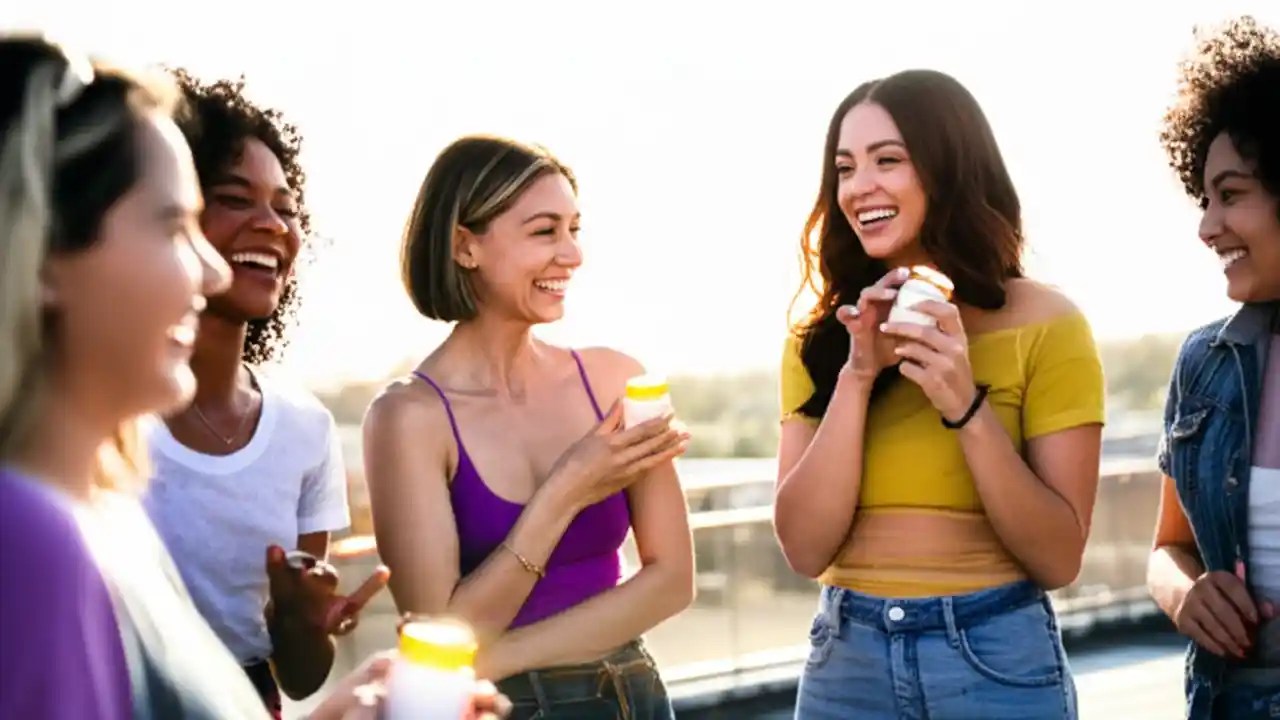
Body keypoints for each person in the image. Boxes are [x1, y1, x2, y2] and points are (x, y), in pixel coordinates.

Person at [0, 34, 507, 720]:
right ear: (44, 249)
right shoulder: (29, 536)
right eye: (175, 225)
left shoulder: (102, 516)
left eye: (286, 209)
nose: (210, 269)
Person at [773, 69, 1105, 719]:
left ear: (948, 166)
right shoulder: (822, 340)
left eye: (887, 160)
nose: (858, 186)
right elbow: (805, 550)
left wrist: (964, 404)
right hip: (848, 665)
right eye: (845, 167)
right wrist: (859, 376)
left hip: (994, 658)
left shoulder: (1048, 324)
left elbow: (1059, 555)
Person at [362, 134, 694, 719]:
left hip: (633, 696)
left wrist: (499, 657)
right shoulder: (408, 418)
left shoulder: (617, 380)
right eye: (545, 231)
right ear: (466, 246)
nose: (572, 254)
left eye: (574, 228)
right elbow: (445, 635)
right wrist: (566, 491)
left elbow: (672, 581)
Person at [137, 68, 385, 715]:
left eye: (286, 206)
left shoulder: (304, 429)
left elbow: (300, 678)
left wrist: (302, 622)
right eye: (235, 196)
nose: (272, 224)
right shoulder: (98, 411)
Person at [1146, 16, 1280, 719]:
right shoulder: (1205, 364)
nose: (1206, 227)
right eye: (1205, 201)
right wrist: (1186, 594)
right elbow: (1167, 548)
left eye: (1231, 195)